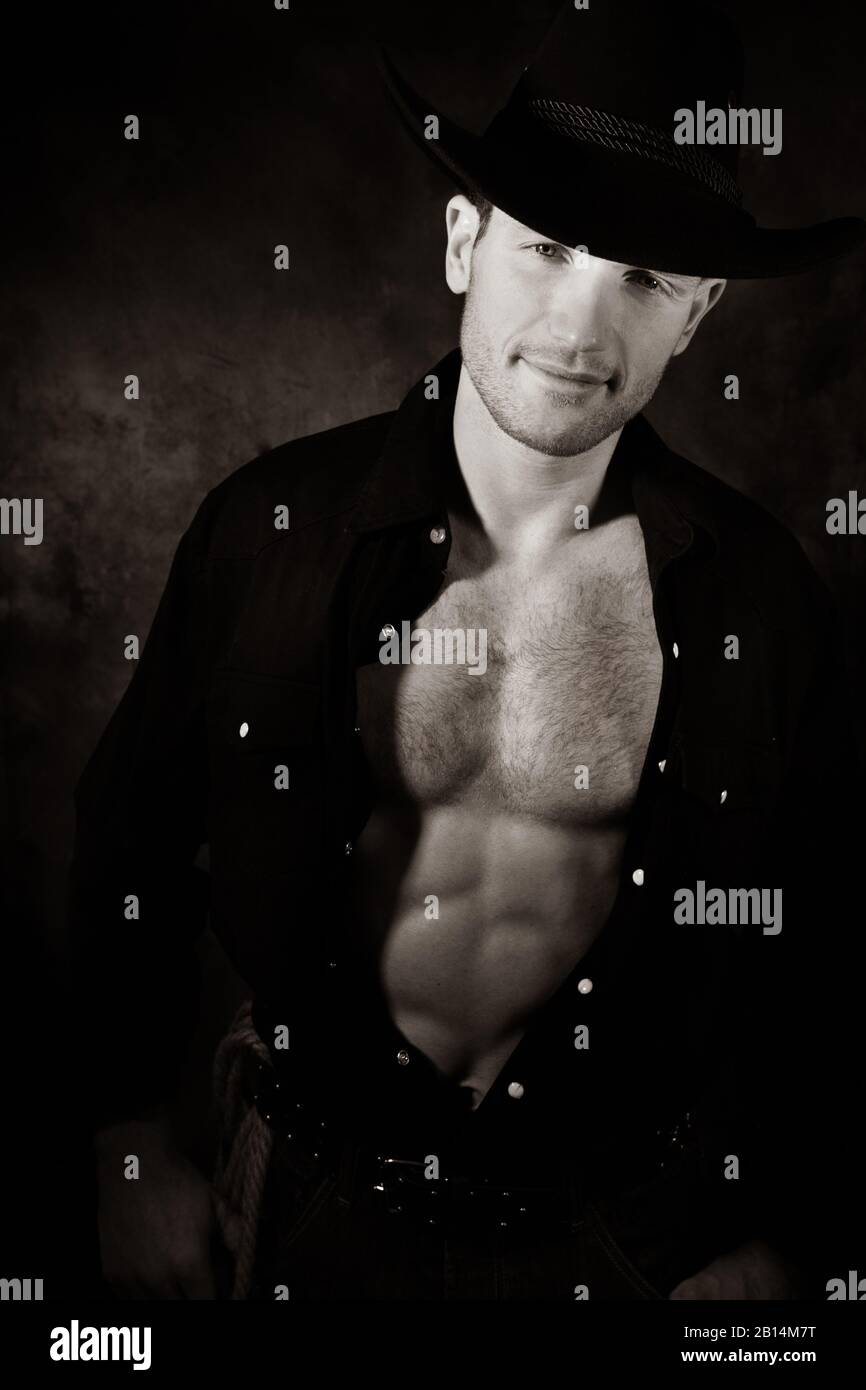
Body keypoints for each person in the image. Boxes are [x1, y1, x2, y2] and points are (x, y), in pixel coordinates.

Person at [70, 0, 864, 1300]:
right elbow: (132, 836)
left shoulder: (762, 601)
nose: (580, 326)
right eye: (547, 248)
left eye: (643, 279)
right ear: (461, 243)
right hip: (301, 1196)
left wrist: (794, 1225)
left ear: (698, 314)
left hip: (622, 1228)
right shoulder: (272, 532)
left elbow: (832, 940)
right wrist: (118, 1139)